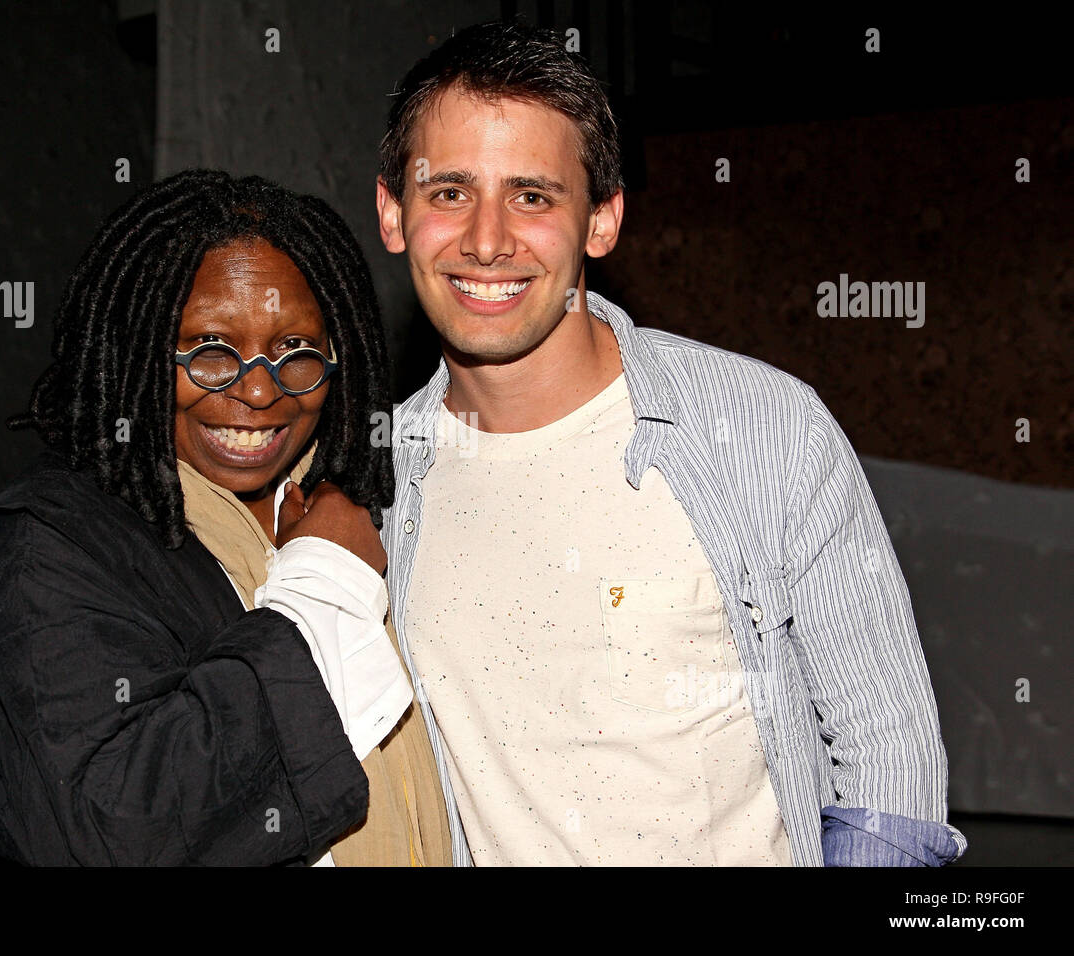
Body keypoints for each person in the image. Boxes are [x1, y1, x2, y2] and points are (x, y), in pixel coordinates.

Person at [373, 19, 967, 866]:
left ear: (603, 220)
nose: (487, 239)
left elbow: (891, 767)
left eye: (533, 196)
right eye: (449, 191)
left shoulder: (765, 429)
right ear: (395, 213)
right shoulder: (376, 479)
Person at [0, 169, 450, 866]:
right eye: (212, 351)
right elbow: (123, 829)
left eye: (296, 353)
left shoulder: (353, 502)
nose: (257, 390)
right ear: (136, 351)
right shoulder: (48, 546)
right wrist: (326, 580)